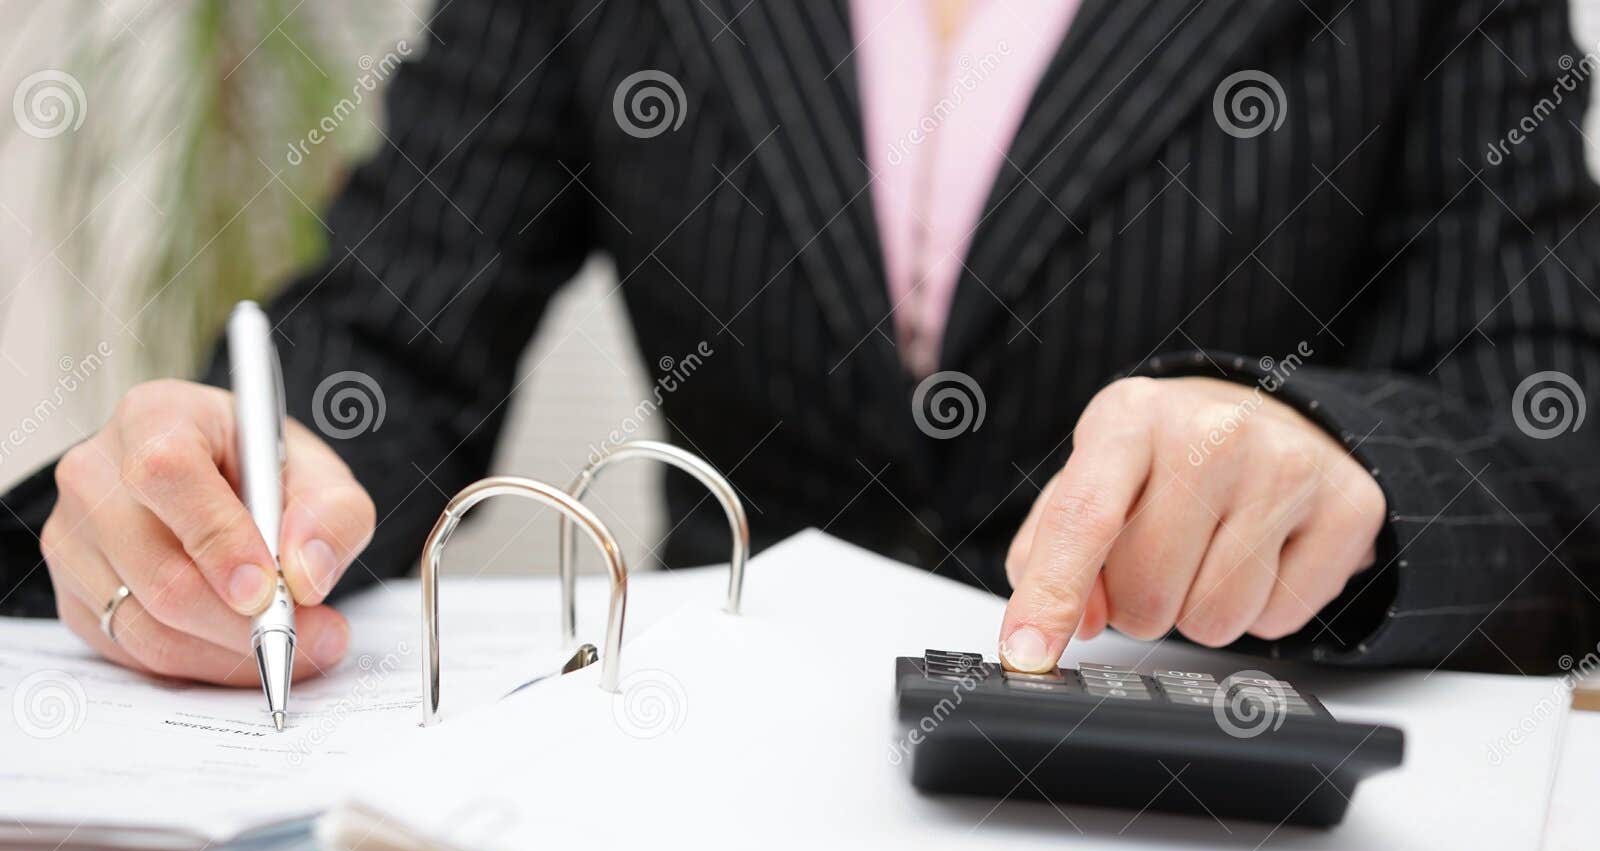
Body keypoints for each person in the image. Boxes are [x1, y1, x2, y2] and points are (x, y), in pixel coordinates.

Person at [3, 0, 1598, 685]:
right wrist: (208, 493)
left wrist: (1352, 481)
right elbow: (385, 350)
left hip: (1193, 845)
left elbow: (1550, 429)